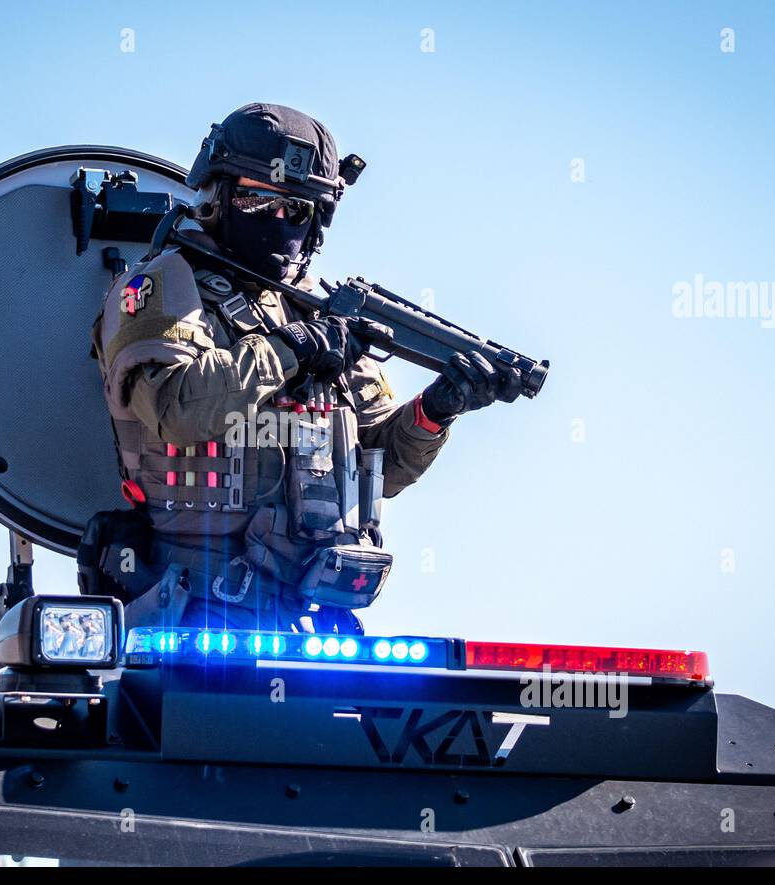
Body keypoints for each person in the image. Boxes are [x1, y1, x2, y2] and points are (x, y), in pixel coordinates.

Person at [82, 103, 521, 635]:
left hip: (309, 620)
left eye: (297, 210)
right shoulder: (161, 286)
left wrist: (436, 411)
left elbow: (380, 467)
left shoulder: (315, 311)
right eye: (256, 197)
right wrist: (293, 348)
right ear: (216, 198)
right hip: (193, 612)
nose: (277, 220)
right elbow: (177, 408)